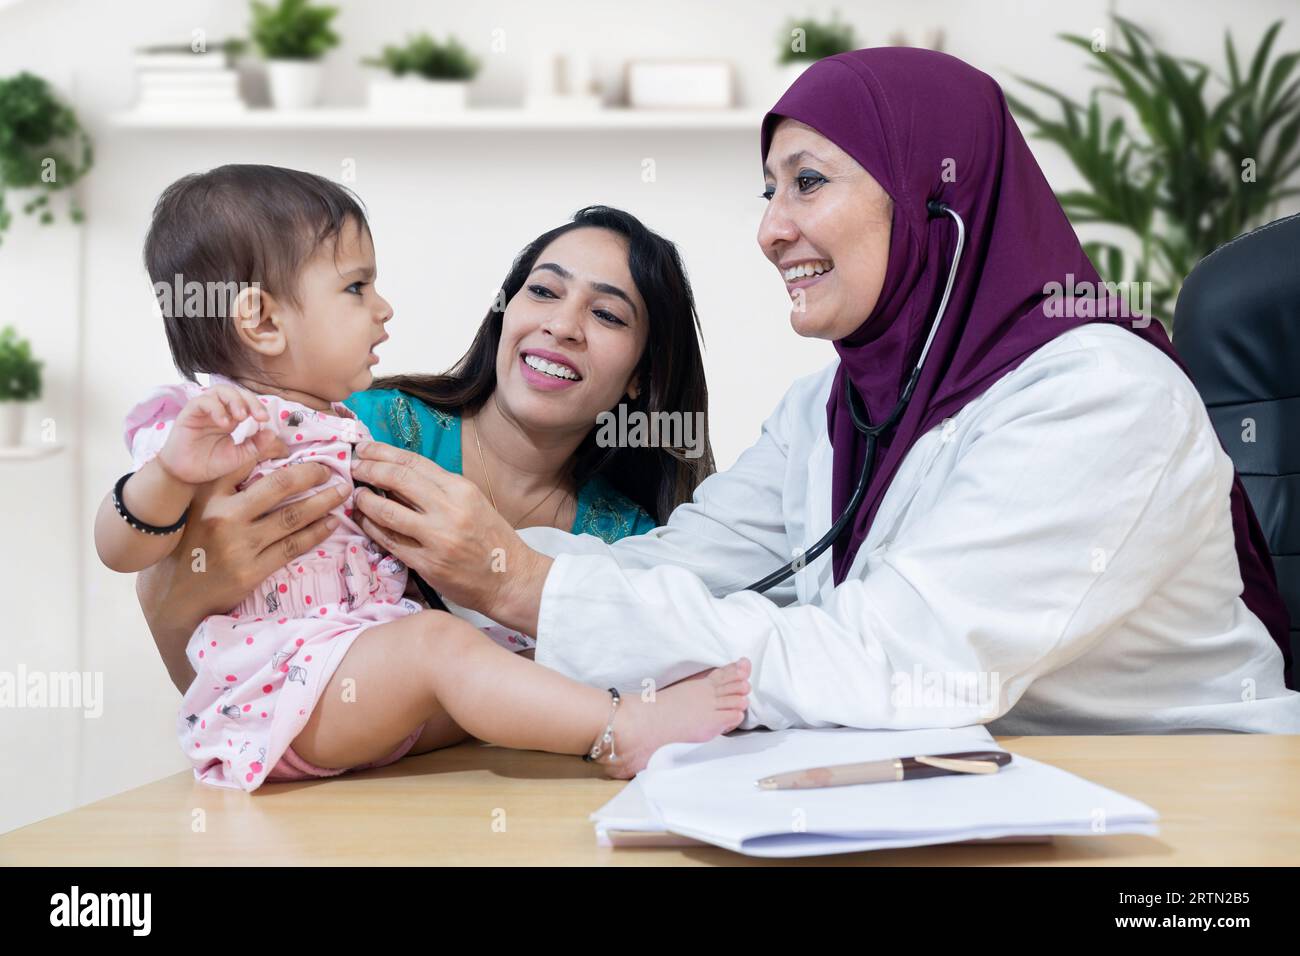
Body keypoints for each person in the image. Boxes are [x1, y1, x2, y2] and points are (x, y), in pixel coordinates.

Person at [347, 48, 1300, 736]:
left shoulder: (1101, 397)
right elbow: (686, 564)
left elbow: (898, 667)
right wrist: (466, 564)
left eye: (807, 183)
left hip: (1186, 806)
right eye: (768, 191)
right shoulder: (829, 411)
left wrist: (519, 581)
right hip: (970, 789)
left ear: (936, 201)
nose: (770, 229)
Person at [113, 165, 748, 790]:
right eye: (545, 292)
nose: (561, 325)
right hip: (289, 718)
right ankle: (620, 730)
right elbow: (170, 586)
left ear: (642, 372)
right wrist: (172, 542)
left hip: (429, 790)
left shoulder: (628, 538)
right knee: (442, 644)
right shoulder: (349, 429)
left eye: (608, 315)